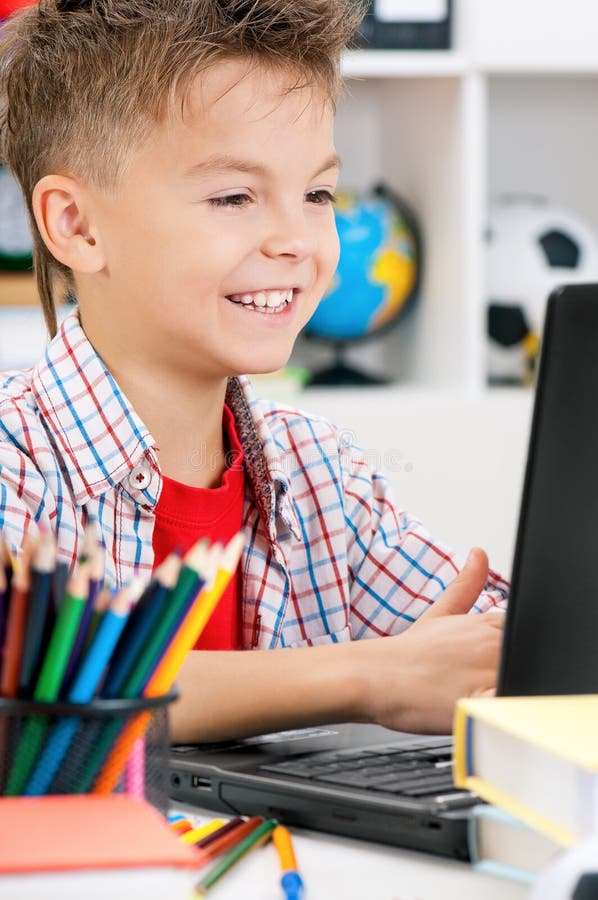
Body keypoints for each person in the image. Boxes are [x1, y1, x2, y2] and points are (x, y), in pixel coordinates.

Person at [0, 0, 507, 743]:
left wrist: (492, 653)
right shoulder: (16, 460)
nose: (296, 239)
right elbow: (38, 688)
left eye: (316, 194)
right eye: (234, 196)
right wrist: (373, 674)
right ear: (76, 225)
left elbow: (492, 646)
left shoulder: (323, 474)